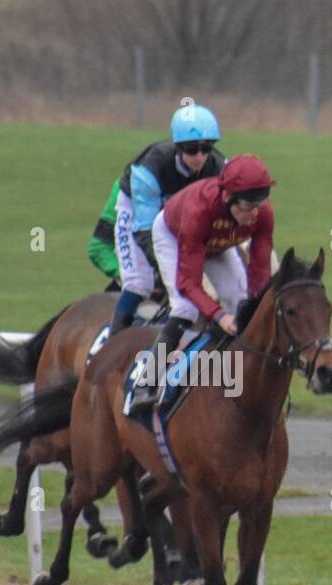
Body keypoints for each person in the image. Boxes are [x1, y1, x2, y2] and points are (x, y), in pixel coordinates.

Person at [127, 154, 275, 415]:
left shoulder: (261, 214)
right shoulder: (199, 211)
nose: (255, 214)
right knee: (185, 308)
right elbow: (188, 282)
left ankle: (231, 376)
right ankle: (146, 381)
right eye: (249, 206)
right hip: (174, 235)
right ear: (228, 198)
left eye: (259, 205)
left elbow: (260, 270)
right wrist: (218, 316)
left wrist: (252, 304)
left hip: (218, 242)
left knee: (238, 299)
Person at [97, 103, 226, 330]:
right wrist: (163, 267)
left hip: (178, 217)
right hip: (138, 214)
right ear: (177, 147)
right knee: (139, 283)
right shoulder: (149, 170)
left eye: (206, 148)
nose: (199, 157)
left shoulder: (218, 167)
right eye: (191, 149)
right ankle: (111, 343)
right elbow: (144, 229)